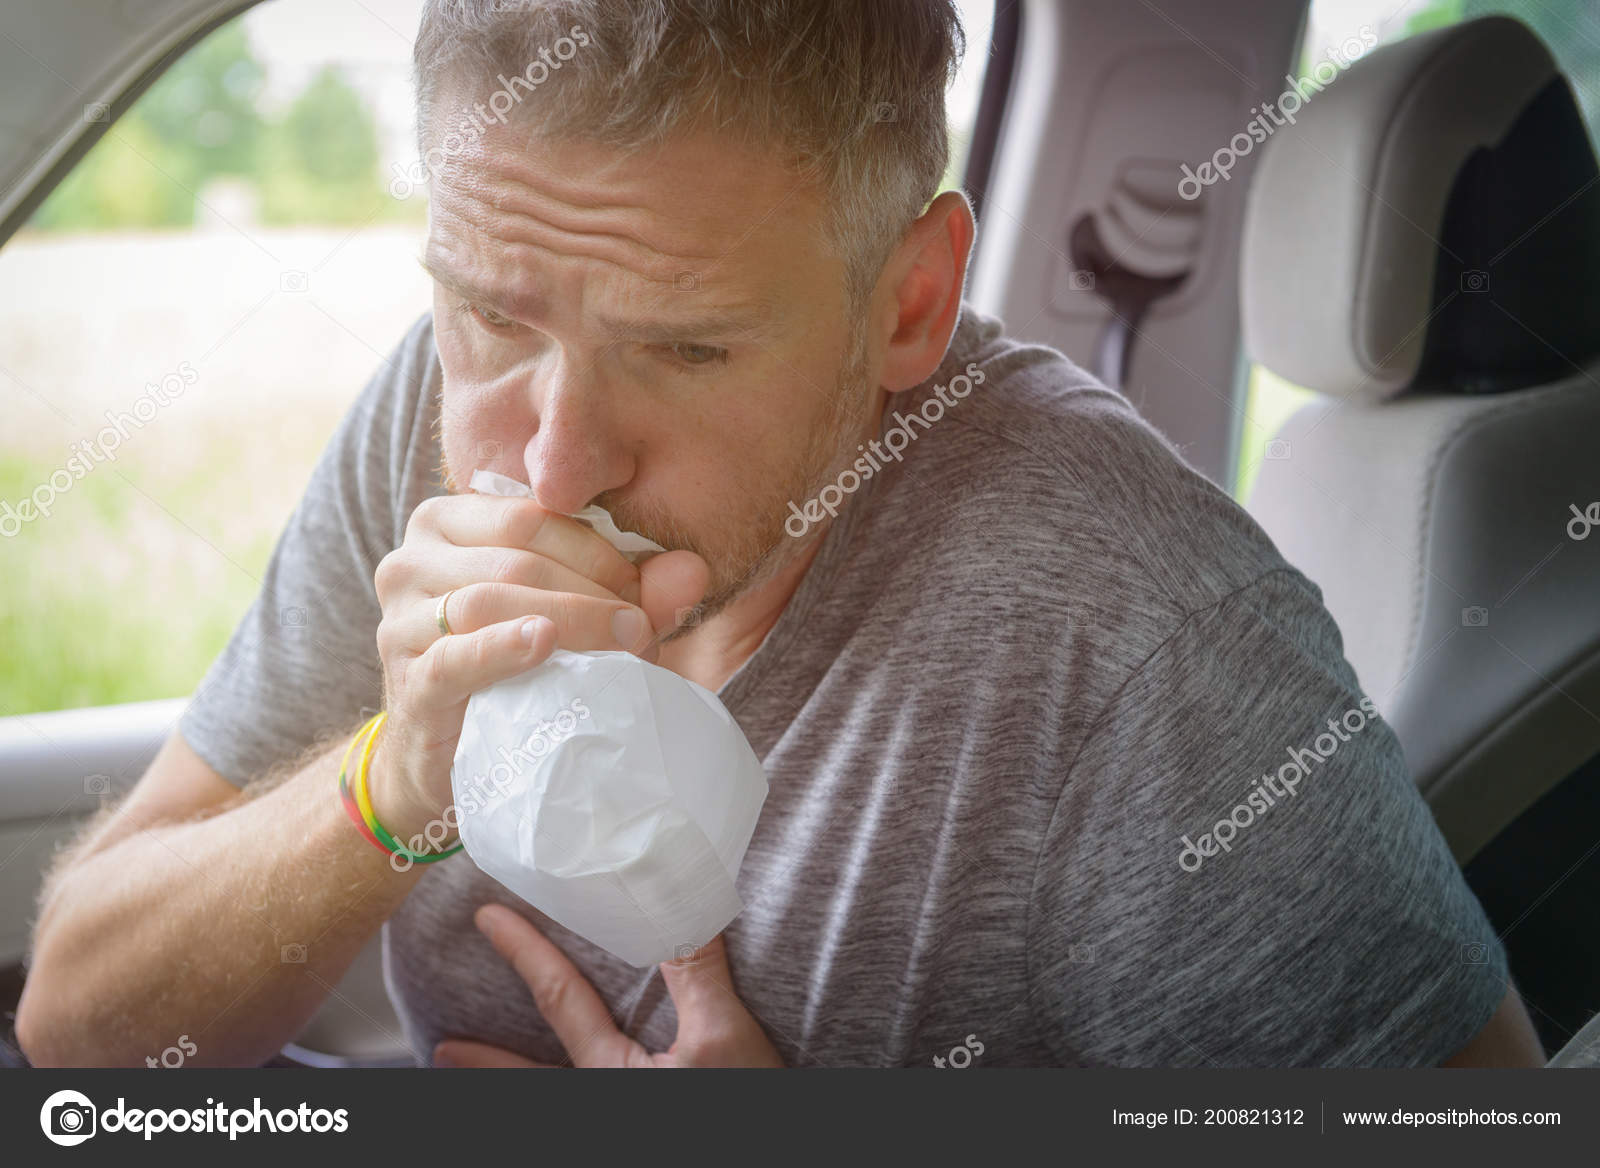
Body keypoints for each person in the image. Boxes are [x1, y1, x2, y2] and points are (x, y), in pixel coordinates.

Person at [16, 0, 1543, 1068]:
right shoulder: (437, 408)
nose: (549, 462)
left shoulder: (1142, 635)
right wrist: (393, 780)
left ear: (909, 306)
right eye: (491, 314)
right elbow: (78, 1040)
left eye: (683, 349)